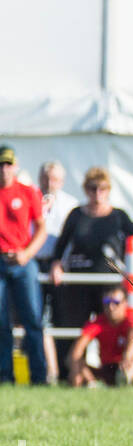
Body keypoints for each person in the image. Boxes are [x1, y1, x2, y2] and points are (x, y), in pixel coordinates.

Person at [49, 167, 133, 380]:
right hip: (78, 284)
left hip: (108, 287)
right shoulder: (76, 215)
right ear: (86, 190)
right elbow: (61, 246)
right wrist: (56, 264)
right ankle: (73, 376)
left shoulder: (119, 216)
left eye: (102, 188)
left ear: (108, 189)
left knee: (113, 328)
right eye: (92, 188)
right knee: (76, 331)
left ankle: (116, 375)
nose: (97, 193)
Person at [0, 146, 49, 386]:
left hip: (23, 259)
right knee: (1, 322)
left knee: (32, 319)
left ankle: (39, 376)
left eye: (8, 164)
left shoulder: (29, 192)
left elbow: (42, 228)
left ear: (15, 166)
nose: (4, 169)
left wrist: (27, 254)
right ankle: (5, 376)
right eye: (1, 164)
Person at [36, 161, 79, 382]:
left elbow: (72, 240)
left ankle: (64, 371)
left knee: (63, 318)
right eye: (45, 177)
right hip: (34, 265)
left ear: (61, 181)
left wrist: (60, 263)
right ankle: (43, 371)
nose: (49, 182)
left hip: (62, 268)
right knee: (36, 318)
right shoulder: (30, 199)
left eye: (53, 178)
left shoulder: (72, 205)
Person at [67, 285, 133, 387]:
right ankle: (93, 384)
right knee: (75, 359)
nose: (111, 307)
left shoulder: (131, 318)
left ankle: (127, 379)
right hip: (107, 368)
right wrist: (76, 374)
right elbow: (77, 350)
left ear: (125, 303)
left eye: (116, 303)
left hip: (127, 365)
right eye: (107, 303)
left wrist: (126, 357)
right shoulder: (98, 322)